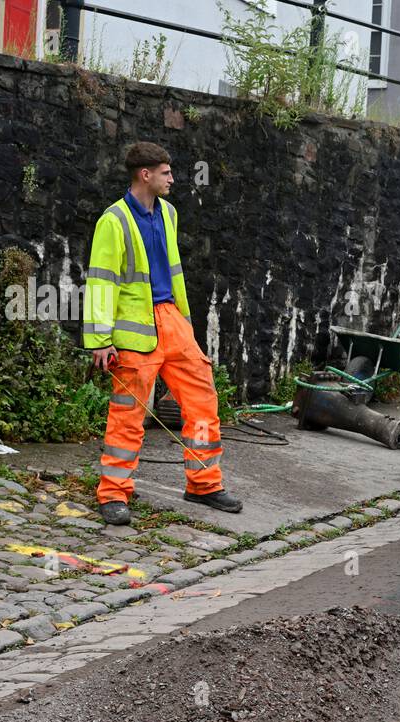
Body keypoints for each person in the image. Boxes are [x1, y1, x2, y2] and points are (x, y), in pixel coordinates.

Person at [83, 142, 241, 526]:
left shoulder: (169, 213)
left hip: (172, 321)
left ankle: (204, 484)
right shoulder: (113, 220)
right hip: (135, 331)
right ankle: (113, 494)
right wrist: (101, 340)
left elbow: (173, 272)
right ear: (145, 175)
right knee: (128, 414)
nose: (172, 178)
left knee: (203, 398)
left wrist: (184, 322)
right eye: (166, 172)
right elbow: (101, 282)